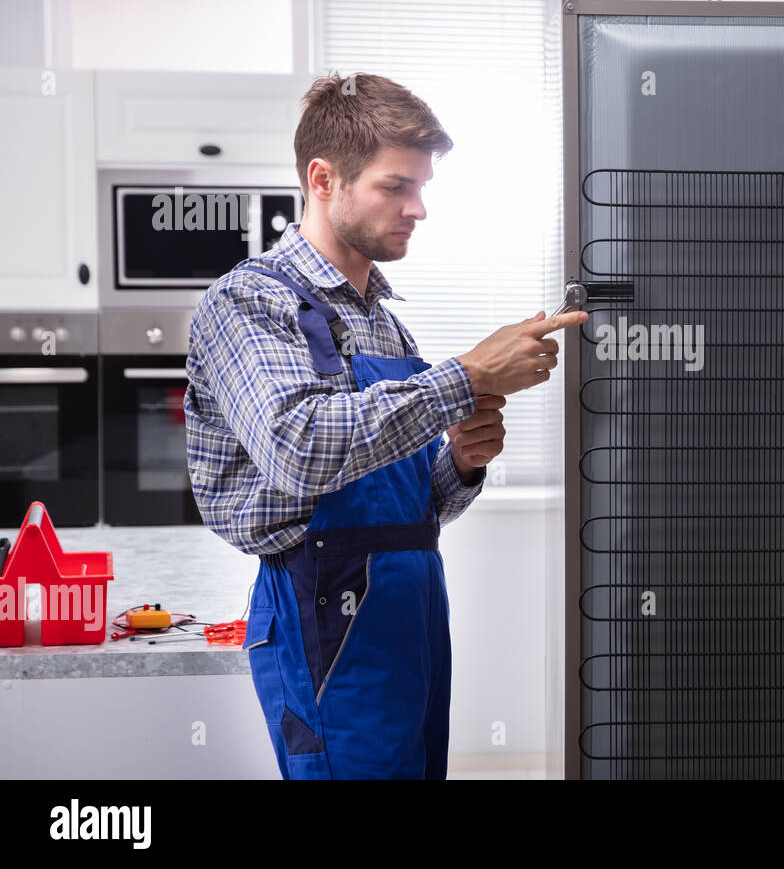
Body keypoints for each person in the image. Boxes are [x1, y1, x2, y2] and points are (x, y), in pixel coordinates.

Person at [182, 72, 586, 779]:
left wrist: (460, 462)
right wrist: (466, 376)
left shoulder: (383, 322)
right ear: (323, 178)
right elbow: (298, 450)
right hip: (325, 612)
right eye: (395, 187)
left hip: (411, 604)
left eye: (422, 188)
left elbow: (410, 502)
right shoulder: (249, 301)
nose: (418, 208)